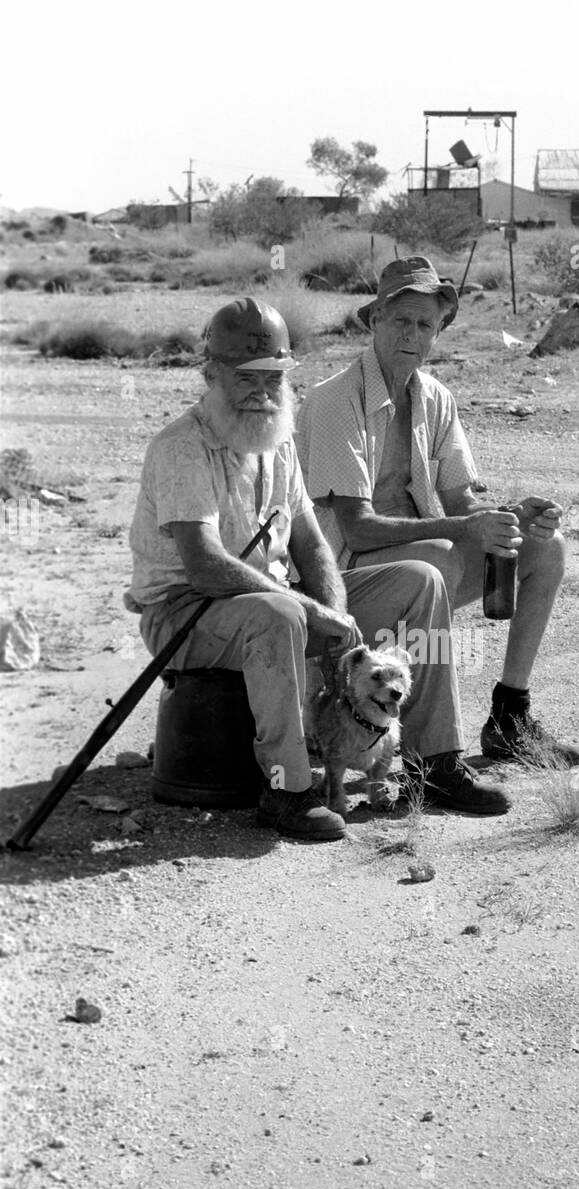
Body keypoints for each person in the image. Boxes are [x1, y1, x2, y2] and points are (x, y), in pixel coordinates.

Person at [124, 298, 510, 843]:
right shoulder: (183, 447)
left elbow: (311, 544)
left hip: (274, 600)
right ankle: (289, 789)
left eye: (274, 376)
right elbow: (206, 566)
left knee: (419, 579)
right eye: (246, 376)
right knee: (281, 613)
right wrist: (309, 611)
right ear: (211, 373)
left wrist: (337, 616)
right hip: (186, 614)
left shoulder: (276, 442)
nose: (262, 390)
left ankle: (434, 762)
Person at [295, 256, 579, 767]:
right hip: (339, 585)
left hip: (424, 566)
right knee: (439, 556)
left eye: (425, 324)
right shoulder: (334, 400)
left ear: (438, 333)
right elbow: (358, 529)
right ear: (375, 321)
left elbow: (461, 502)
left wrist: (509, 516)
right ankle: (419, 747)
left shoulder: (435, 398)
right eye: (402, 320)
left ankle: (509, 717)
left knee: (545, 547)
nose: (413, 334)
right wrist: (464, 526)